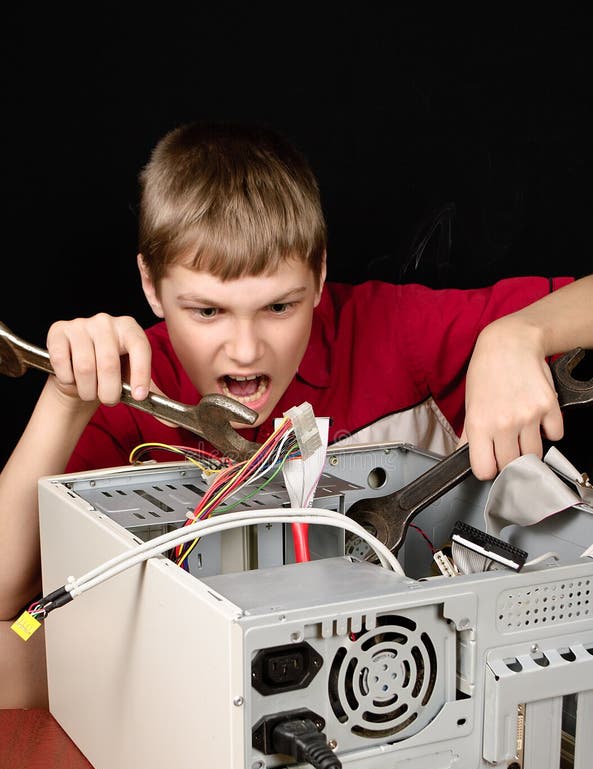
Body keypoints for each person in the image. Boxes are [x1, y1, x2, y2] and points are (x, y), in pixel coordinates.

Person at [1, 119, 593, 708]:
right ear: (151, 287)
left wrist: (520, 334)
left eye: (279, 306)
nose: (245, 348)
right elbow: (8, 603)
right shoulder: (127, 392)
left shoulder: (390, 334)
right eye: (207, 311)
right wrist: (64, 400)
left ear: (318, 276)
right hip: (202, 694)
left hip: (403, 684)